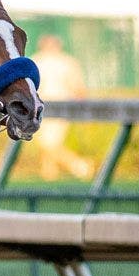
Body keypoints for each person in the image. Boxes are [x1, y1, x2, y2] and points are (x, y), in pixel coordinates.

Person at [30, 33, 92, 180]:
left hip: (55, 106)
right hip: (47, 106)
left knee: (50, 143)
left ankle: (80, 166)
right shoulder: (40, 61)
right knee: (46, 142)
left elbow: (77, 86)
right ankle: (49, 175)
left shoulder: (58, 62)